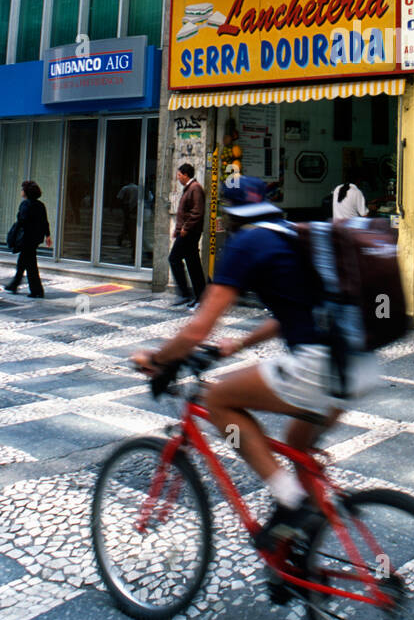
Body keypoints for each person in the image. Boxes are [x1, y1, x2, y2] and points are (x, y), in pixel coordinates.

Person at [133, 177, 380, 554]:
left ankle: (291, 507)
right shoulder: (293, 234)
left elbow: (199, 326)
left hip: (316, 366)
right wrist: (234, 346)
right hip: (358, 364)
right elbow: (292, 314)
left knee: (218, 403)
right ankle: (299, 555)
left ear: (230, 213)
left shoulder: (246, 243)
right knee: (299, 449)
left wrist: (157, 359)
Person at [4, 181, 52, 297]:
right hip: (35, 238)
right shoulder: (40, 205)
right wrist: (48, 235)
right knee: (22, 262)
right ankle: (14, 284)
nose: (21, 191)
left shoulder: (25, 205)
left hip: (26, 238)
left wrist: (14, 233)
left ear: (26, 192)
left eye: (22, 189)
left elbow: (22, 221)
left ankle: (37, 291)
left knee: (30, 265)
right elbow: (45, 221)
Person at [169, 163, 206, 308]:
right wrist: (178, 229)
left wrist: (185, 228)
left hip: (189, 233)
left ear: (185, 175)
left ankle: (186, 294)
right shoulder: (191, 188)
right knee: (193, 263)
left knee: (174, 258)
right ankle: (199, 296)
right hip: (186, 232)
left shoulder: (195, 188)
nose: (178, 178)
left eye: (179, 175)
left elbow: (197, 212)